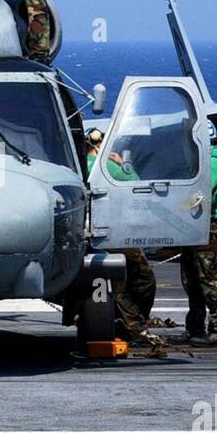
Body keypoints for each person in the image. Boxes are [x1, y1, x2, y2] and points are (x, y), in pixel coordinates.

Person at [84, 128, 164, 346]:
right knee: (143, 279)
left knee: (112, 281)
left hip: (88, 234)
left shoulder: (80, 166)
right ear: (102, 145)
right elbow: (136, 183)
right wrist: (122, 164)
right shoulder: (108, 166)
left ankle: (126, 322)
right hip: (116, 233)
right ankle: (135, 324)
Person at [180, 122, 217, 347]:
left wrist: (176, 208)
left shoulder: (212, 161)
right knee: (193, 279)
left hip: (205, 225)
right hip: (199, 224)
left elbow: (202, 192)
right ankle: (194, 328)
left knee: (210, 280)